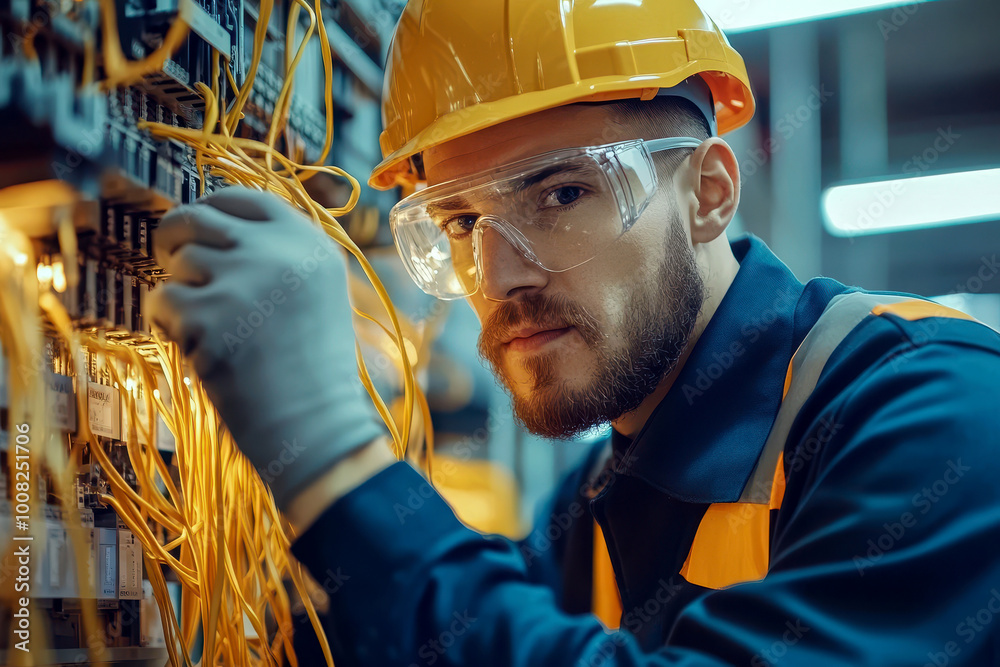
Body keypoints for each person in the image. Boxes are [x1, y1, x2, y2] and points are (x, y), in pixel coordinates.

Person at [148, 0, 1000, 664]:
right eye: (459, 224)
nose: (497, 278)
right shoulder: (599, 508)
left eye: (560, 195)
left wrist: (333, 454)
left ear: (708, 193)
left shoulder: (937, 412)